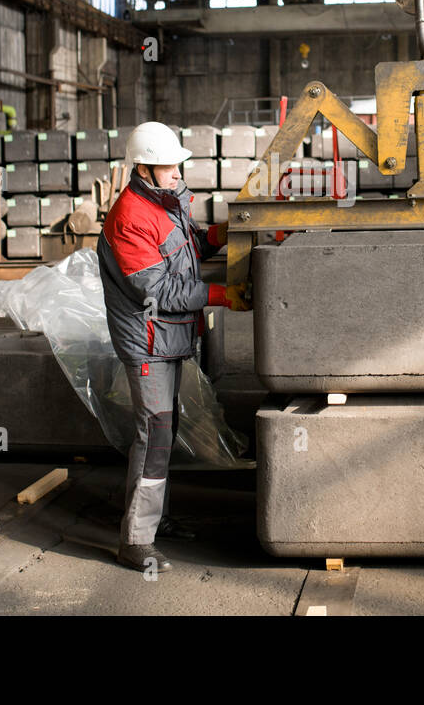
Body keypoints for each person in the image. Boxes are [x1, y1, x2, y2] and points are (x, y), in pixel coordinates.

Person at [96, 122, 251, 573]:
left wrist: (224, 234)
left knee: (166, 427)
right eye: (167, 164)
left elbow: (191, 247)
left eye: (177, 163)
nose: (176, 170)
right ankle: (135, 541)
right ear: (142, 168)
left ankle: (155, 521)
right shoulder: (129, 217)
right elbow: (157, 290)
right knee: (156, 432)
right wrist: (222, 295)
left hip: (169, 336)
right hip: (148, 342)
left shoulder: (167, 202)